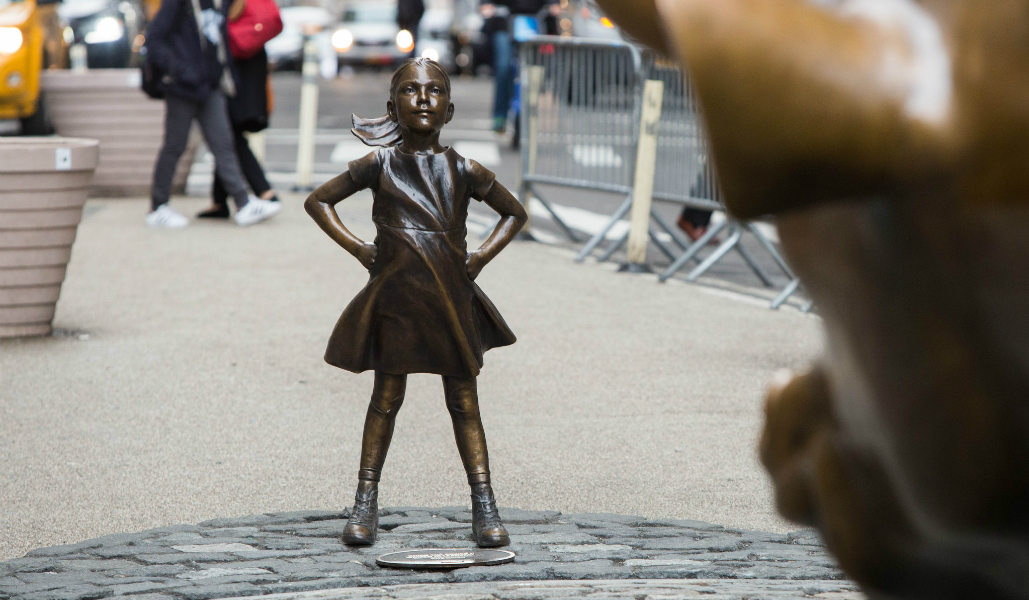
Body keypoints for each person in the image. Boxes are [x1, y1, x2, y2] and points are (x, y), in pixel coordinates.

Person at [304, 58, 528, 548]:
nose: (423, 98)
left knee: (464, 401)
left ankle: (484, 503)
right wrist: (360, 248)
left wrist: (479, 257)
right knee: (385, 398)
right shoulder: (380, 164)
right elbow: (318, 200)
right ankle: (365, 500)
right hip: (396, 299)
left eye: (434, 91)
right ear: (392, 108)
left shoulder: (464, 169)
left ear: (450, 110)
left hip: (450, 298)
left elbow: (514, 213)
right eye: (410, 90)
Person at [145, 0, 281, 228]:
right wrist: (180, 70)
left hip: (211, 86)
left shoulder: (218, 4)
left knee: (224, 143)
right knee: (174, 145)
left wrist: (227, 76)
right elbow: (154, 39)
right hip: (182, 86)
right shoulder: (178, 3)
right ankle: (158, 207)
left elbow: (220, 42)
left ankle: (243, 204)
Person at [197, 0, 279, 219]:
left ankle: (265, 191)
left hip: (235, 72)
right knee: (226, 134)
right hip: (248, 67)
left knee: (228, 135)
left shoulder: (225, 5)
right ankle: (219, 201)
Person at [480, 0, 560, 133]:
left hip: (534, 22)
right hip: (504, 24)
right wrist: (486, 5)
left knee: (535, 70)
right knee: (504, 67)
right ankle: (500, 115)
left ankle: (532, 112)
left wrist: (554, 5)